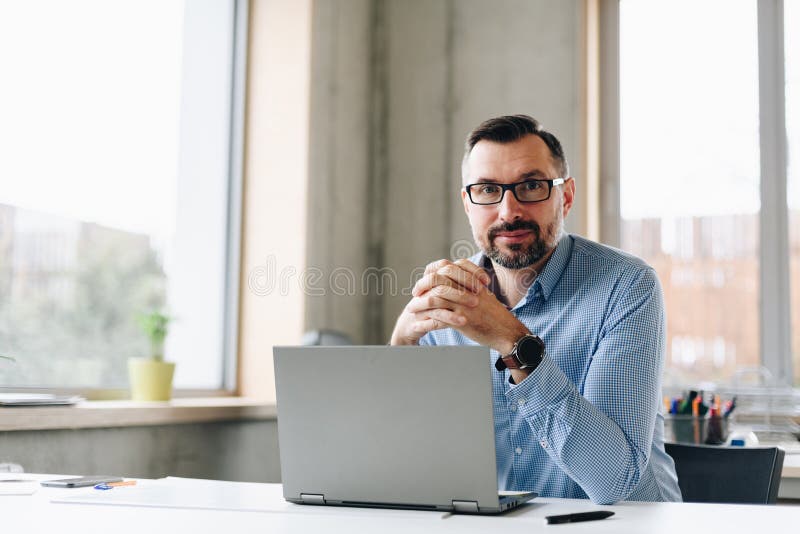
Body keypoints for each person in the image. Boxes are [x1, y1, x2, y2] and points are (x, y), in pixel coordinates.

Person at [390, 114, 681, 504]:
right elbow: (406, 464)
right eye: (488, 190)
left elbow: (614, 481)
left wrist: (513, 340)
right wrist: (400, 347)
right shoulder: (446, 301)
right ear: (468, 203)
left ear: (566, 196)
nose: (508, 211)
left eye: (531, 186)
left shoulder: (626, 286)